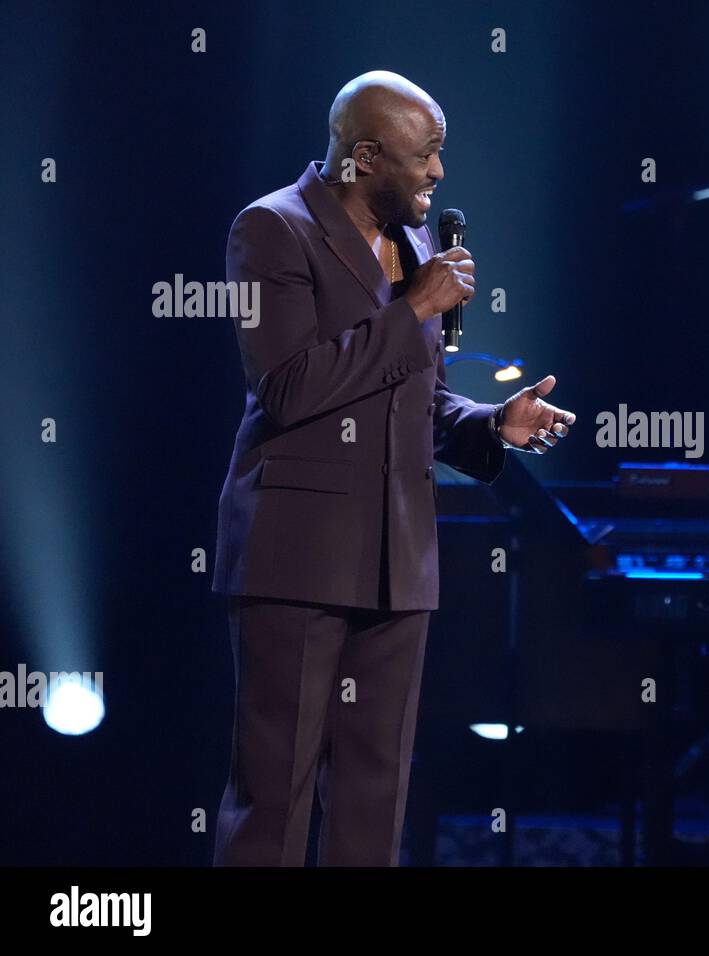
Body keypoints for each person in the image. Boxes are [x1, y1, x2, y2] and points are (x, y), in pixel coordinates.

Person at [211, 71, 576, 866]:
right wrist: (413, 310)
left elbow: (420, 401)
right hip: (297, 555)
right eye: (426, 155)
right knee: (275, 797)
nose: (439, 173)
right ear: (365, 156)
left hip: (398, 562)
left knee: (375, 799)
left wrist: (492, 423)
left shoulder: (413, 246)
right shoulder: (271, 229)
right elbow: (286, 385)